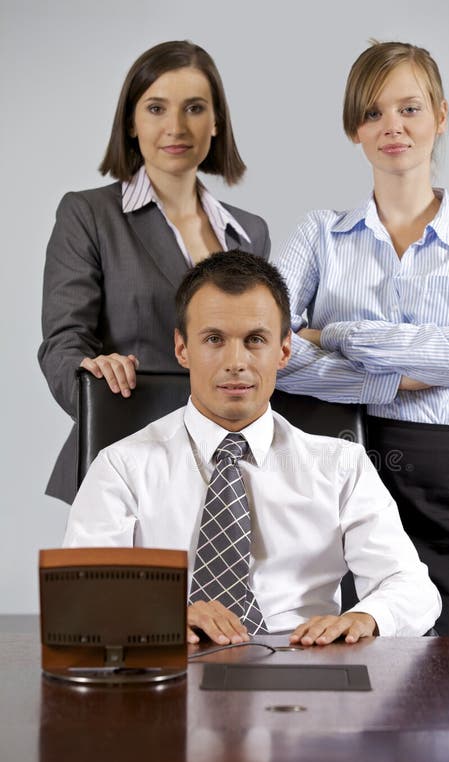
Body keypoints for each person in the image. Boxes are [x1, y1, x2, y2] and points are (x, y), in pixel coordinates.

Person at [63, 250, 441, 645]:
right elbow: (79, 597)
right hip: (167, 659)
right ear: (182, 348)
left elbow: (412, 586)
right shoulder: (122, 465)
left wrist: (368, 615)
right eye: (214, 339)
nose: (236, 362)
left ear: (283, 351)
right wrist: (162, 613)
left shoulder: (341, 465)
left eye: (255, 340)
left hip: (300, 667)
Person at [275, 41, 449, 637]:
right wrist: (418, 366)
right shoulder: (318, 235)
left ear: (440, 116)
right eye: (373, 112)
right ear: (354, 130)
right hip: (342, 456)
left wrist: (334, 333)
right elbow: (269, 349)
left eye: (410, 108)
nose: (393, 127)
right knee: (355, 674)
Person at [39, 40, 270, 504]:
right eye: (156, 108)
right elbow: (63, 344)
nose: (176, 127)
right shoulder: (88, 214)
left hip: (227, 468)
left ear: (216, 121)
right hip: (125, 458)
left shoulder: (250, 233)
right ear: (131, 121)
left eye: (195, 108)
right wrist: (91, 380)